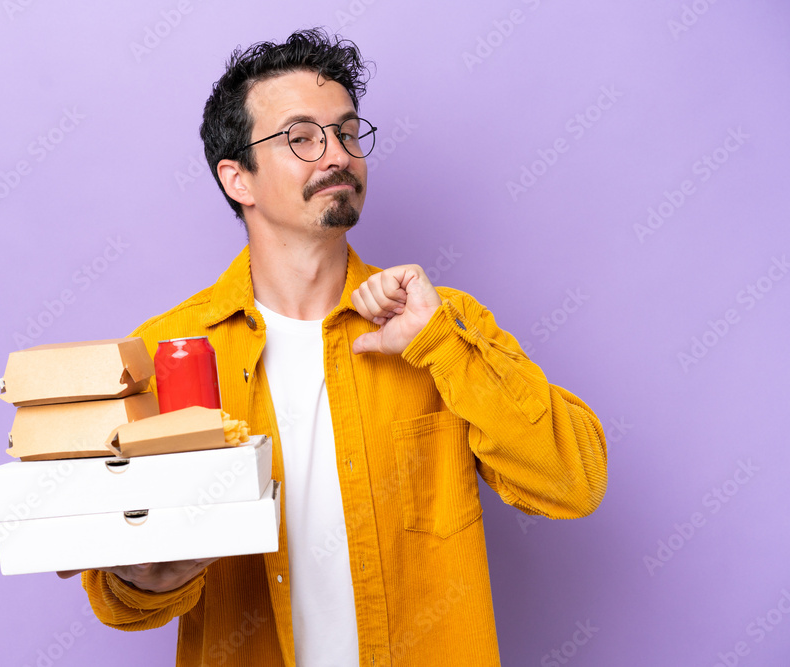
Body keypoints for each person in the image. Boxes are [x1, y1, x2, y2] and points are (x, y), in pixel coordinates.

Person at [59, 28, 608, 666]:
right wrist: (152, 578)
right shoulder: (167, 351)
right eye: (300, 138)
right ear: (239, 179)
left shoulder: (440, 324)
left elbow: (574, 483)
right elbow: (117, 601)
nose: (337, 156)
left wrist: (439, 345)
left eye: (347, 133)